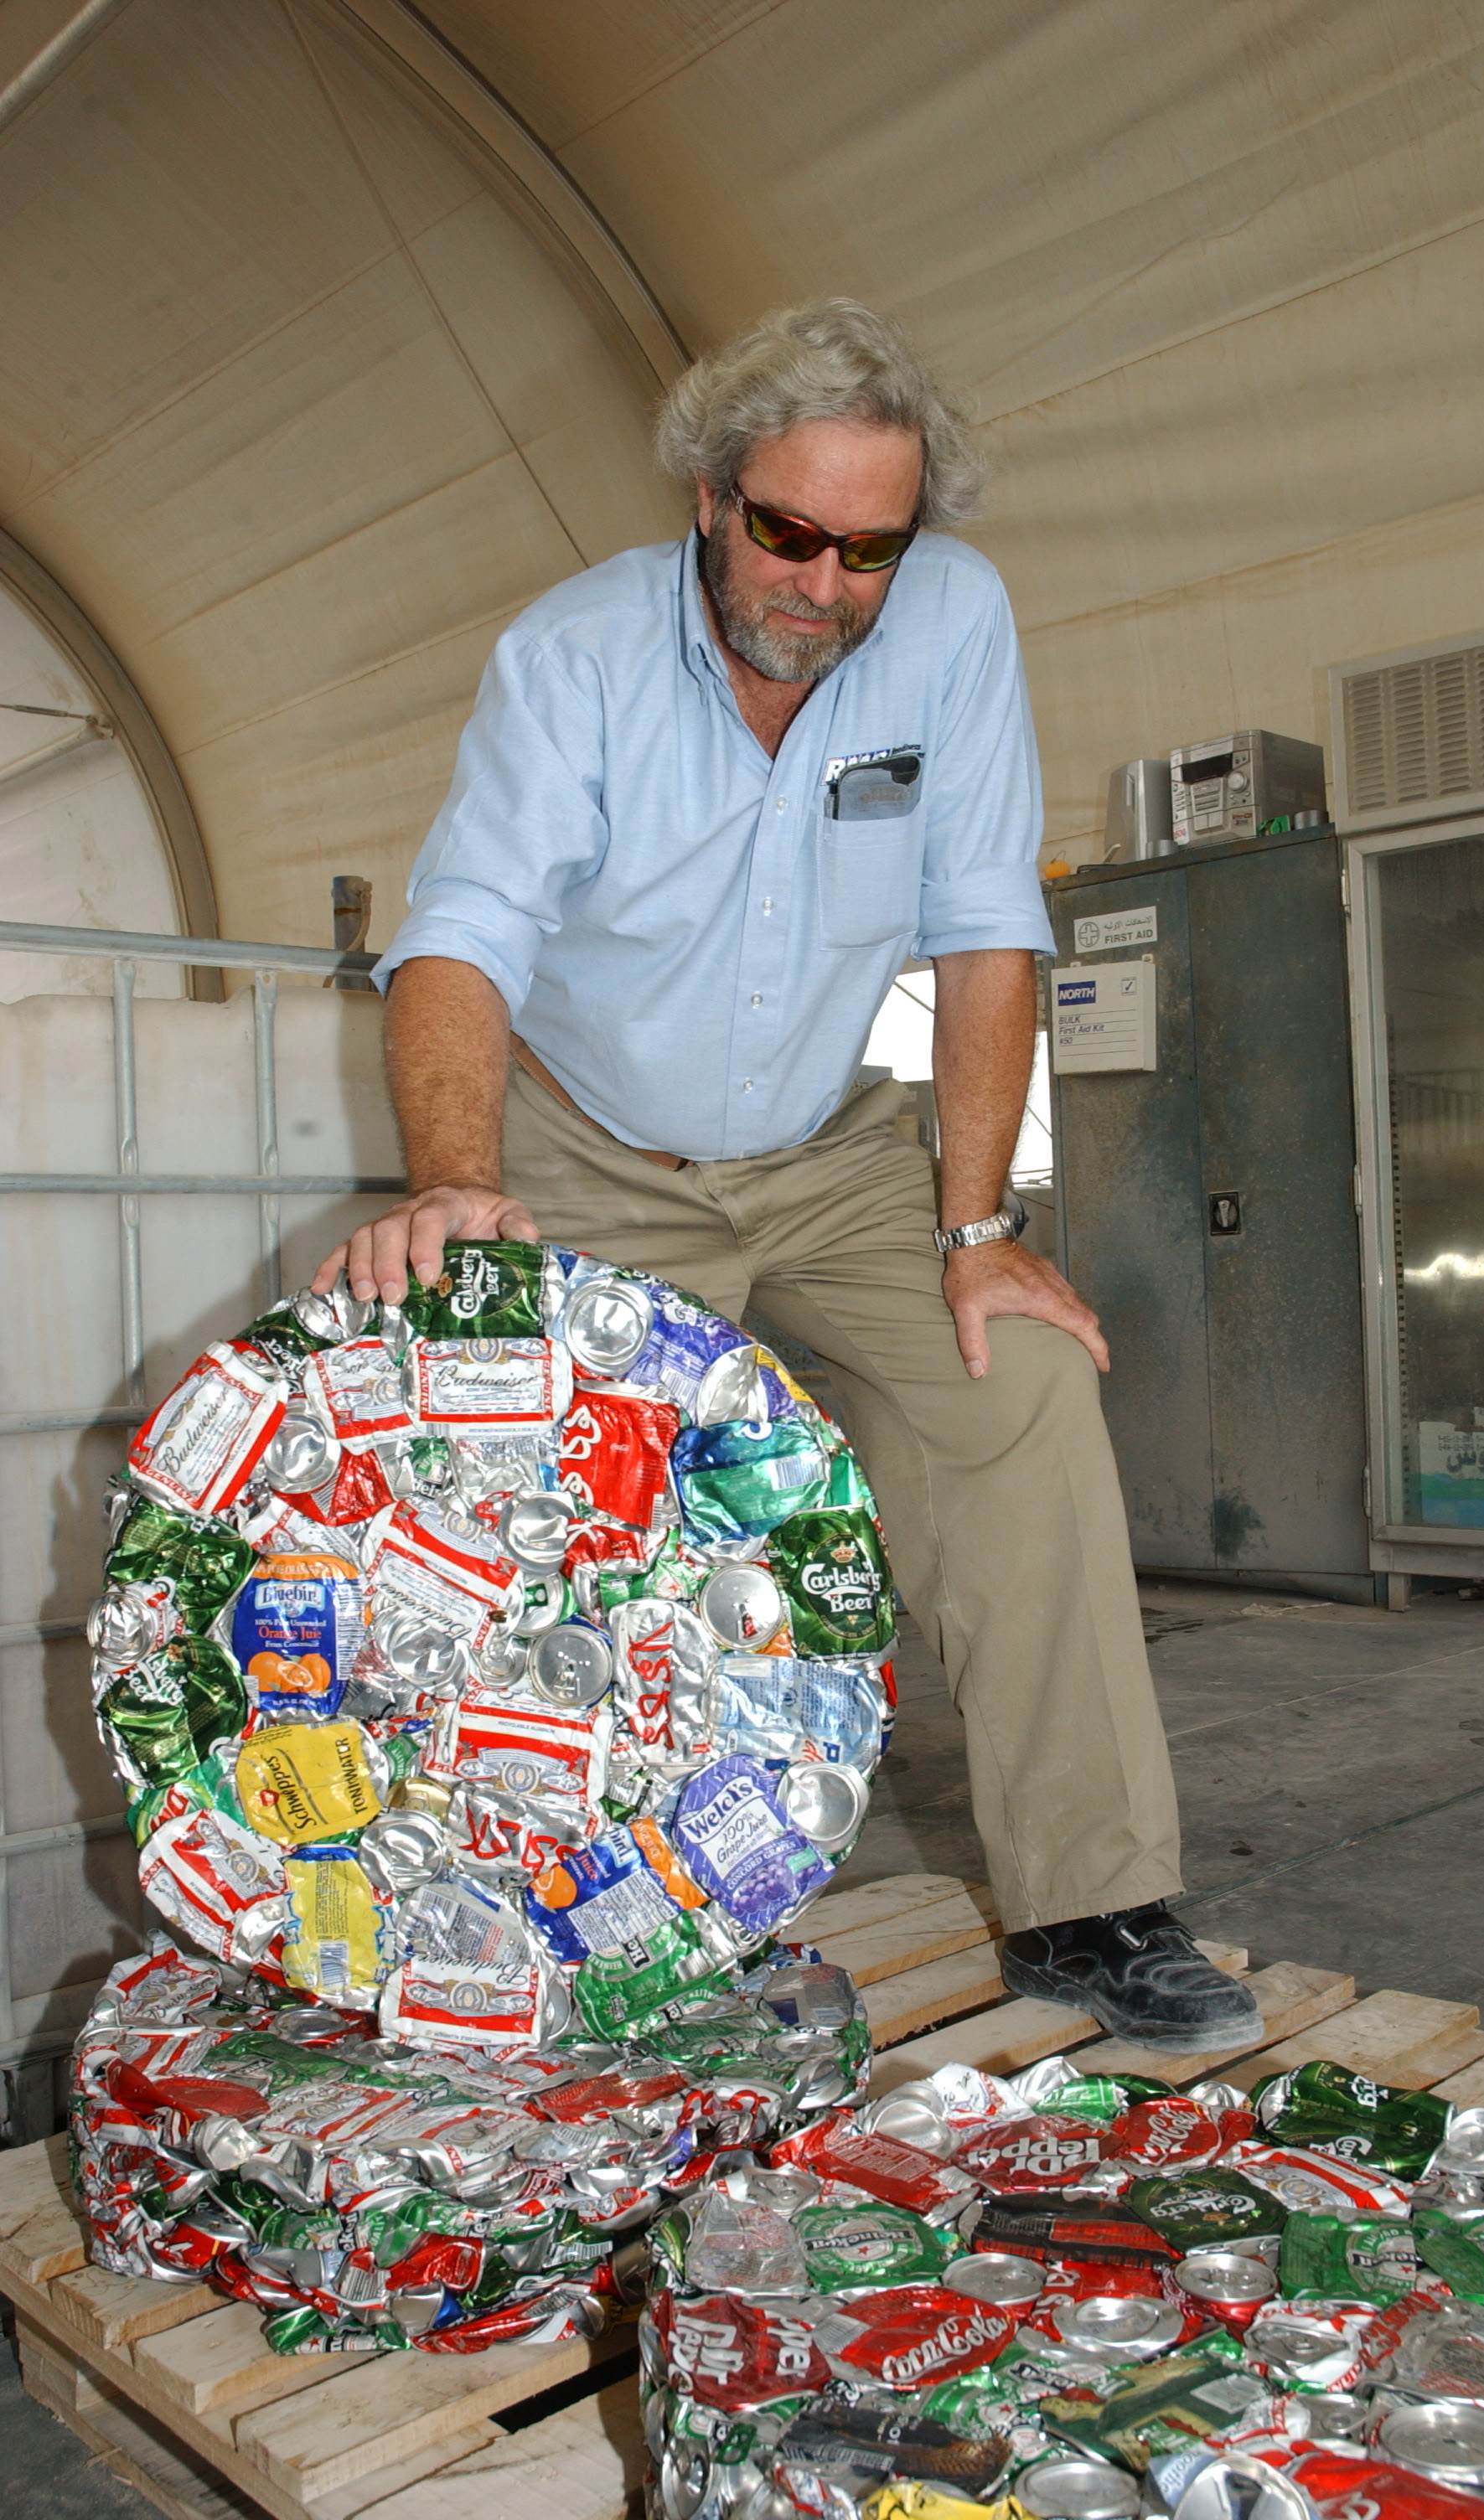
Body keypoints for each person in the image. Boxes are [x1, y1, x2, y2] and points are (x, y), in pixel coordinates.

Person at [317, 300, 1260, 2052]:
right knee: (584, 1509)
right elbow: (458, 940)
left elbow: (987, 930)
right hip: (597, 1152)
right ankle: (612, 1922)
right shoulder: (572, 658)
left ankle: (1090, 1899)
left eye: (868, 549)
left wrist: (977, 1228)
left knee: (1021, 1375)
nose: (821, 583)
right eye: (785, 531)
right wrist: (456, 1181)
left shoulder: (955, 624)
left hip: (831, 1151)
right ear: (706, 492)